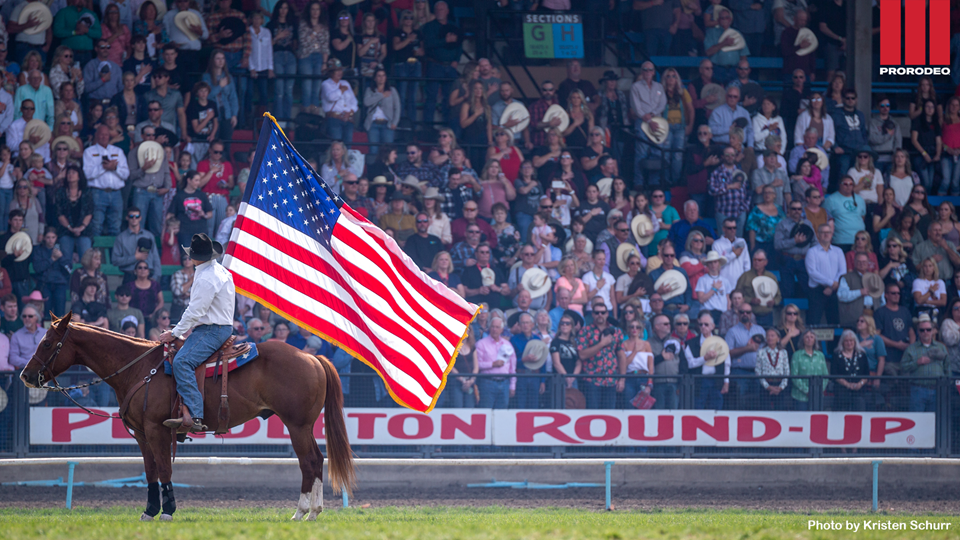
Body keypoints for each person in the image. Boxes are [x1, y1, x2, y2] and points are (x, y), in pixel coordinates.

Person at [160, 233, 235, 432]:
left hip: (212, 329)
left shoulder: (206, 278)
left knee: (182, 361)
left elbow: (195, 311)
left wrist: (174, 333)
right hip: (219, 326)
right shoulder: (219, 270)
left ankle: (194, 415)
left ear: (193, 257)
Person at [575, 296, 626, 409]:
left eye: (603, 312)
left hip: (611, 380)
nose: (600, 315)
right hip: (592, 381)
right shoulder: (585, 331)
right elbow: (582, 355)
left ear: (607, 314)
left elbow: (621, 356)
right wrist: (602, 344)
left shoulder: (617, 331)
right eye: (597, 312)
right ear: (592, 314)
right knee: (593, 415)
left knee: (609, 416)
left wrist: (622, 379)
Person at [421, 2, 462, 129]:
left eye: (442, 9)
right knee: (431, 97)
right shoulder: (428, 27)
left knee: (449, 98)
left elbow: (459, 45)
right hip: (435, 65)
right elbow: (428, 44)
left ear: (447, 11)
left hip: (451, 67)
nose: (439, 11)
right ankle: (428, 127)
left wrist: (456, 60)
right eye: (437, 9)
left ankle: (447, 127)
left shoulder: (453, 26)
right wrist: (445, 40)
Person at [630, 62, 666, 189]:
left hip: (657, 121)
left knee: (657, 151)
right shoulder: (636, 86)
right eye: (645, 69)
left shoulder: (659, 86)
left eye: (650, 69)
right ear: (642, 71)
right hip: (642, 121)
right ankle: (638, 181)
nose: (647, 72)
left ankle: (654, 181)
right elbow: (636, 106)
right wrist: (648, 119)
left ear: (653, 72)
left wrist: (652, 115)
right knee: (641, 152)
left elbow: (663, 104)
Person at [900, 316, 948, 412]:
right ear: (918, 331)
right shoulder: (911, 348)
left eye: (928, 329)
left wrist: (946, 386)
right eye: (922, 330)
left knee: (935, 422)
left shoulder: (941, 347)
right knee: (917, 421)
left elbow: (948, 368)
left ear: (933, 331)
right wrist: (917, 363)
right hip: (918, 390)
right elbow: (902, 368)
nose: (925, 332)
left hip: (937, 390)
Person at [709, 146, 750, 237]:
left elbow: (748, 191)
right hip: (723, 212)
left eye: (732, 155)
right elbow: (711, 190)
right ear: (722, 156)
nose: (730, 157)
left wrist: (745, 207)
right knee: (723, 242)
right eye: (727, 155)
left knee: (738, 242)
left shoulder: (741, 172)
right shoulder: (716, 173)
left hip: (739, 212)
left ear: (735, 156)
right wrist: (728, 186)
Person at [32, 227, 71, 317]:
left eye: (53, 237)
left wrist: (61, 258)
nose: (51, 240)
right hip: (45, 284)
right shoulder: (39, 251)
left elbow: (69, 269)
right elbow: (37, 268)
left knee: (60, 313)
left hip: (60, 284)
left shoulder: (63, 251)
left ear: (56, 238)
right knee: (46, 313)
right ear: (44, 238)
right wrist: (51, 259)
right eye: (48, 237)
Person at [822, 176, 865, 251]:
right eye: (845, 184)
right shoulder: (830, 200)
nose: (848, 186)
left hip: (858, 241)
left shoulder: (860, 199)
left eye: (851, 184)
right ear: (840, 185)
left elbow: (862, 217)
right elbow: (824, 219)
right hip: (840, 240)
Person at [790, 329, 829, 410]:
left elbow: (825, 375)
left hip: (817, 396)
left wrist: (819, 390)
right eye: (807, 337)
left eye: (811, 337)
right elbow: (794, 376)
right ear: (802, 340)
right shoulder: (797, 355)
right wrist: (808, 391)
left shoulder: (820, 355)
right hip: (800, 397)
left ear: (815, 340)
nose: (809, 339)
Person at [320, 58, 357, 143]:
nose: (340, 72)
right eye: (336, 70)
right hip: (334, 119)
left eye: (340, 70)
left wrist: (350, 112)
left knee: (348, 145)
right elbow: (331, 98)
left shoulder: (345, 83)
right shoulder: (326, 84)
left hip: (348, 118)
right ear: (331, 72)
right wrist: (341, 90)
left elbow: (354, 101)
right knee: (336, 144)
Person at [911, 99, 943, 194]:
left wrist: (937, 154)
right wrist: (924, 153)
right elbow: (914, 140)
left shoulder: (936, 122)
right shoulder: (917, 121)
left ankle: (926, 204)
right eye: (927, 106)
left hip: (932, 155)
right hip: (919, 155)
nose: (930, 109)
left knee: (930, 183)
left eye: (932, 107)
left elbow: (938, 141)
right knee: (926, 182)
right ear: (923, 108)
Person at [755, 327, 790, 410]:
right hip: (766, 385)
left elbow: (787, 371)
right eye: (768, 336)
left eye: (772, 336)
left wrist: (781, 387)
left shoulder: (783, 352)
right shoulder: (761, 352)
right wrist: (768, 387)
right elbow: (758, 371)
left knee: (780, 410)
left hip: (779, 385)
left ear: (778, 338)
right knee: (765, 410)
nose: (770, 338)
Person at [869, 95, 902, 177]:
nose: (885, 108)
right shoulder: (873, 122)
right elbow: (873, 139)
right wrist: (888, 135)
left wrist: (896, 157)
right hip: (876, 158)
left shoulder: (895, 123)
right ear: (878, 107)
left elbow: (898, 142)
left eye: (887, 106)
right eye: (882, 106)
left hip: (891, 159)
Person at [8, 304, 44, 369]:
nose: (27, 318)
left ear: (36, 317)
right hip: (26, 372)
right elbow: (13, 358)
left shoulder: (46, 333)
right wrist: (30, 363)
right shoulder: (16, 336)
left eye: (30, 316)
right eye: (24, 316)